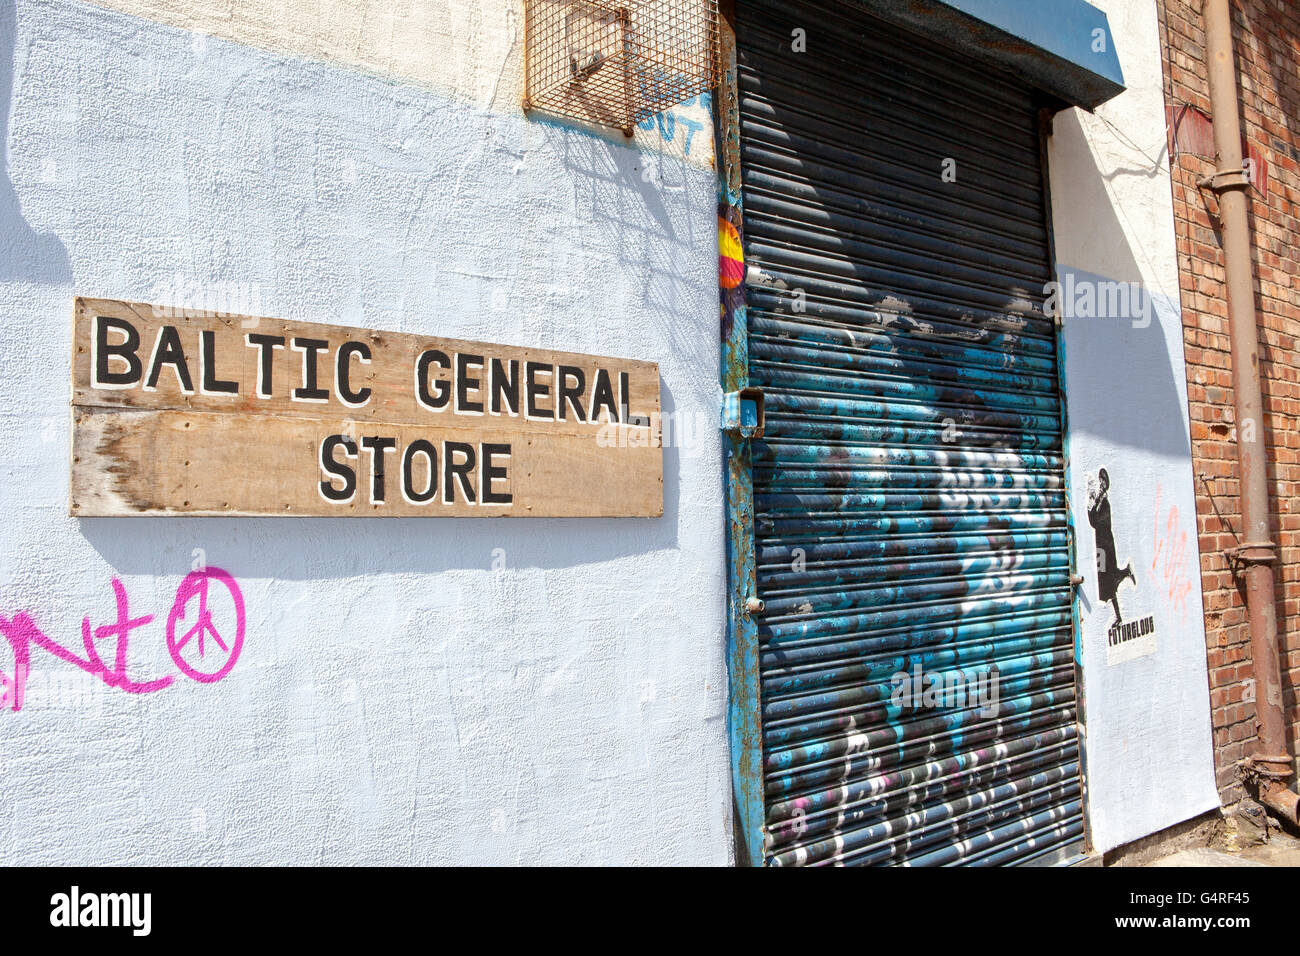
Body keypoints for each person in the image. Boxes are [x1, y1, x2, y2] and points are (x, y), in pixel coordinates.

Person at [1087, 468, 1136, 625]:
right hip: (1099, 545)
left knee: (1108, 576)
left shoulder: (1105, 503)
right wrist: (1092, 504)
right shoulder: (1099, 503)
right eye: (1100, 481)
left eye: (1103, 482)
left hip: (1106, 543)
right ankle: (1119, 616)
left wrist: (1097, 503)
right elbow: (1092, 521)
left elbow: (1099, 523)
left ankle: (1118, 615)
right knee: (1104, 577)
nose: (1101, 484)